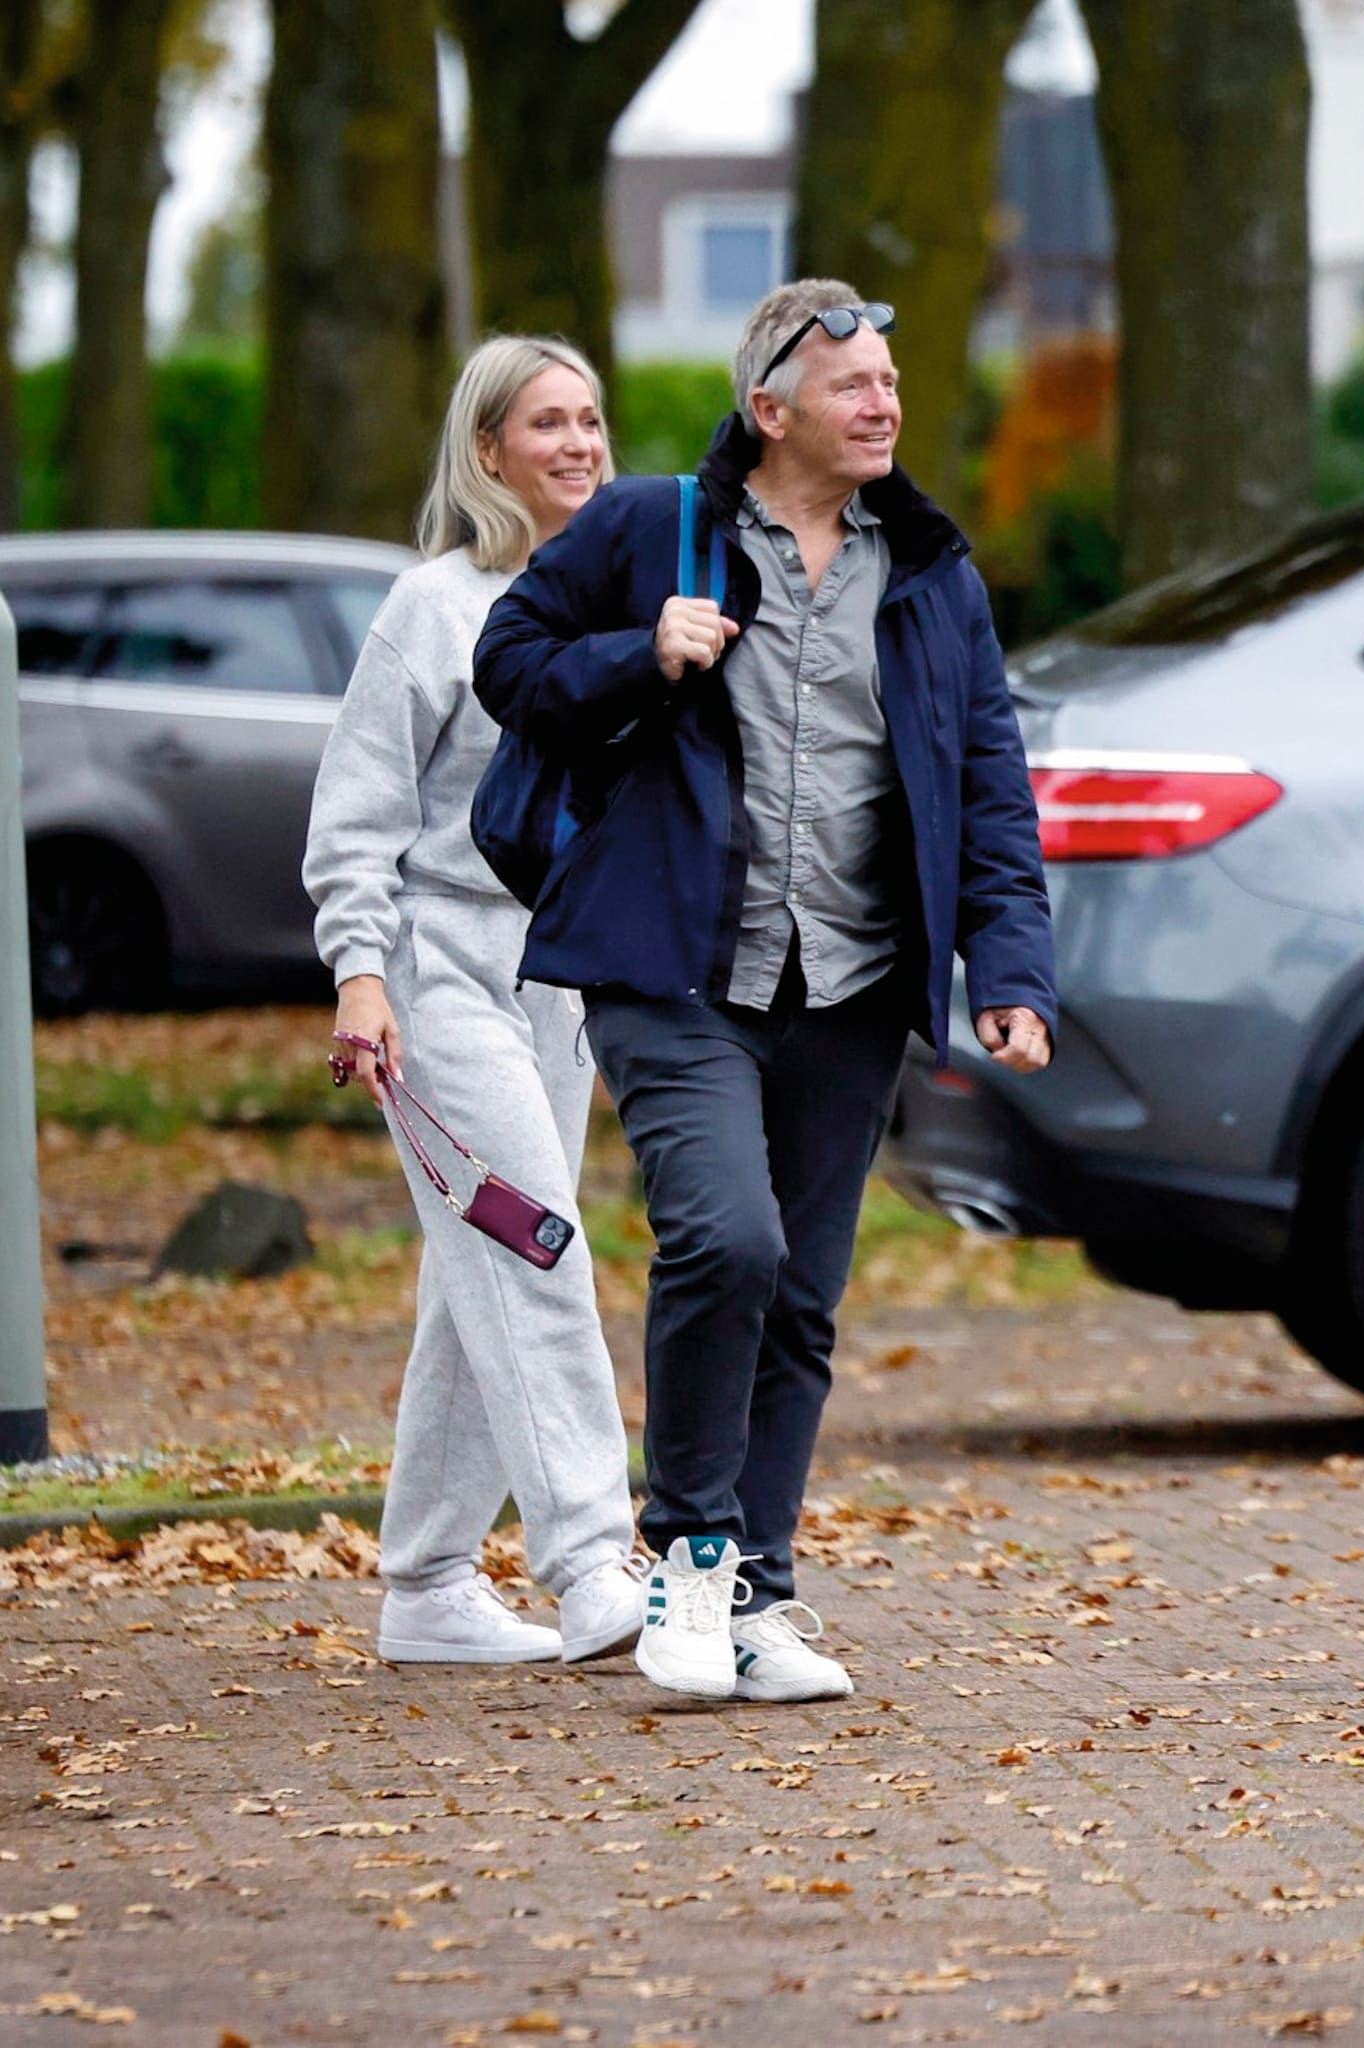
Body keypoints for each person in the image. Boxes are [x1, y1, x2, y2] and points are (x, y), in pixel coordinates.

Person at [472, 279, 1057, 1704]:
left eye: (893, 386)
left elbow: (990, 785)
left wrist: (1012, 970)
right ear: (770, 407)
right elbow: (509, 664)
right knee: (724, 1240)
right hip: (674, 965)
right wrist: (640, 649)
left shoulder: (929, 575)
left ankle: (759, 1593)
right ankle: (683, 1562)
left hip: (853, 983)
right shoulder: (646, 527)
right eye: (853, 385)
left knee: (800, 1291)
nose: (885, 406)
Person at [303, 336, 643, 1667]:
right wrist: (362, 978)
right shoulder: (434, 608)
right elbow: (358, 817)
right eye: (547, 422)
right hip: (438, 981)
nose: (578, 443)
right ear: (488, 449)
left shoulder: (618, 602)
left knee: (483, 1266)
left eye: (592, 420)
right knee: (537, 1242)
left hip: (557, 986)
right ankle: (592, 1560)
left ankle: (429, 1585)